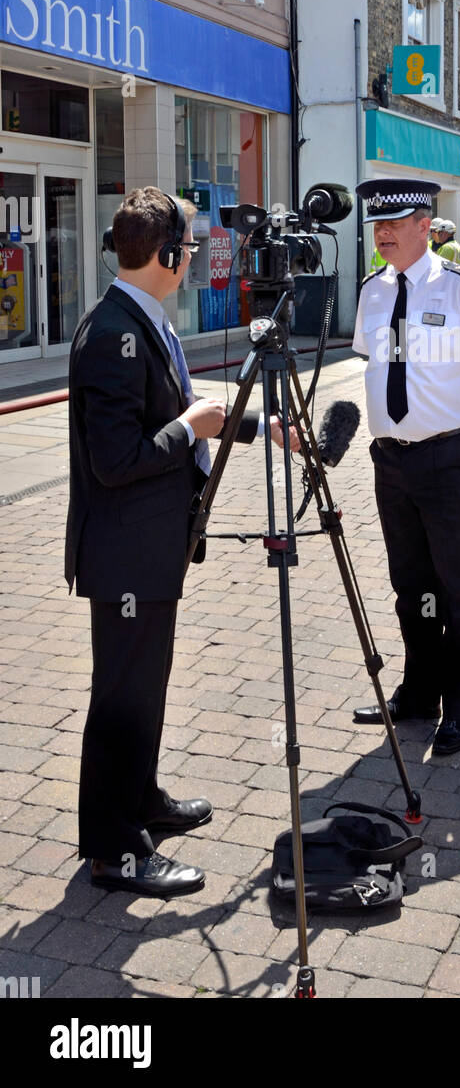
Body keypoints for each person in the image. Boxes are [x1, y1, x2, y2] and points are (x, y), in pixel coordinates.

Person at [66, 187, 295, 899]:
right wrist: (193, 426)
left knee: (144, 689)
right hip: (126, 553)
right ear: (164, 254)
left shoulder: (143, 320)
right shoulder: (111, 334)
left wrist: (260, 430)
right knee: (121, 699)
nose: (191, 258)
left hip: (151, 548)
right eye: (188, 248)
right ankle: (115, 850)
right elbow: (117, 460)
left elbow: (180, 413)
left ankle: (143, 800)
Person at [350, 177, 460, 755]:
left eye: (396, 223)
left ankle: (459, 709)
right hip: (392, 463)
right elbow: (374, 365)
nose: (384, 234)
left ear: (427, 225)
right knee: (410, 585)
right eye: (378, 224)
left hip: (450, 461)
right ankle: (419, 693)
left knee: (459, 588)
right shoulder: (372, 290)